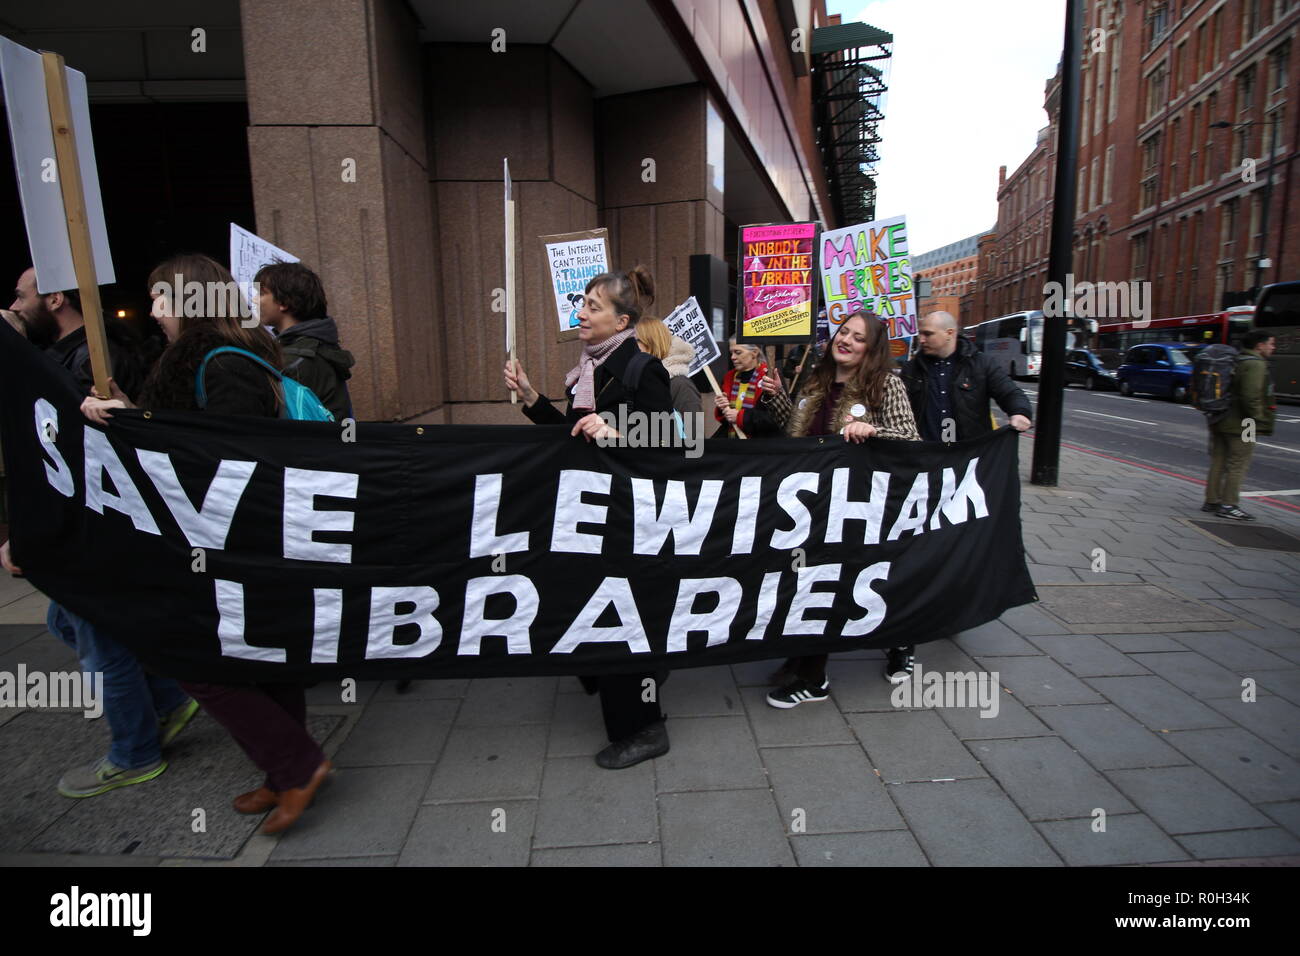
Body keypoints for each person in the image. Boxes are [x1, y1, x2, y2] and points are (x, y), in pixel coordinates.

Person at [81, 253, 330, 833]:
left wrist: (142, 425)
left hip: (234, 545)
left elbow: (227, 456)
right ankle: (283, 771)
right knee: (266, 658)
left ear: (193, 302)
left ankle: (298, 765)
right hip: (243, 544)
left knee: (191, 659)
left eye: (162, 299)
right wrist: (134, 417)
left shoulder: (222, 365)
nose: (154, 312)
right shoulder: (219, 361)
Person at [3, 268, 194, 799]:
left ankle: (135, 751)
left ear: (56, 298)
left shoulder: (91, 358)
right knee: (68, 621)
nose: (15, 307)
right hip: (93, 524)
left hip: (100, 526)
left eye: (21, 297)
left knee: (97, 637)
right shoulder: (70, 355)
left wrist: (20, 357)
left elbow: (74, 443)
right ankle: (166, 701)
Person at [504, 265, 674, 770]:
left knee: (622, 621)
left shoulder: (646, 370)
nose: (580, 312)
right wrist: (533, 399)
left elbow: (672, 445)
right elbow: (573, 436)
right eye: (582, 302)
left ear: (621, 322)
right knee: (598, 613)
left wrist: (618, 435)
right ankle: (610, 676)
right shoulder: (588, 370)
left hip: (630, 522)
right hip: (593, 517)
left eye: (593, 306)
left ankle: (644, 728)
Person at [763, 310, 921, 707]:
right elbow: (798, 436)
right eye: (843, 332)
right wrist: (779, 396)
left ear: (872, 348)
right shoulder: (816, 380)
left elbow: (911, 441)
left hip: (851, 508)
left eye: (858, 337)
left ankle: (814, 679)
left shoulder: (886, 385)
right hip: (807, 506)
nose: (846, 340)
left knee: (826, 585)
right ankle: (800, 658)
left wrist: (874, 431)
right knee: (800, 583)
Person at [899, 310, 1032, 443]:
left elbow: (1009, 393)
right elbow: (897, 408)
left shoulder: (981, 364)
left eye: (928, 334)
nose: (921, 340)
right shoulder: (911, 369)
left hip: (969, 454)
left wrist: (1020, 412)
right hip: (926, 454)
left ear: (949, 333)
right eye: (920, 334)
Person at [254, 261, 355, 420]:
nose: (255, 300)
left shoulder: (296, 360)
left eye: (261, 293)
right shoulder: (315, 345)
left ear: (284, 302)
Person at [1203, 329, 1276, 520]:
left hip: (1220, 417)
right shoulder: (1256, 364)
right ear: (1259, 345)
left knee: (1218, 460)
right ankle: (1229, 505)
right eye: (1271, 343)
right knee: (1239, 463)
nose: (1273, 348)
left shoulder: (1236, 360)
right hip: (1245, 423)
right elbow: (1251, 396)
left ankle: (1212, 500)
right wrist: (1258, 418)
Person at [713, 338, 784, 438]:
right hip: (732, 440)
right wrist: (723, 406)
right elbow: (727, 418)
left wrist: (740, 417)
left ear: (754, 353)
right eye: (731, 353)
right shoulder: (729, 377)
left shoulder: (769, 377)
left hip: (759, 445)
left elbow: (776, 419)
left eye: (738, 352)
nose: (733, 357)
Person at [634, 315, 700, 420]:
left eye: (636, 341)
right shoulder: (636, 380)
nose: (631, 347)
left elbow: (693, 433)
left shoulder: (681, 385)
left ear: (652, 343)